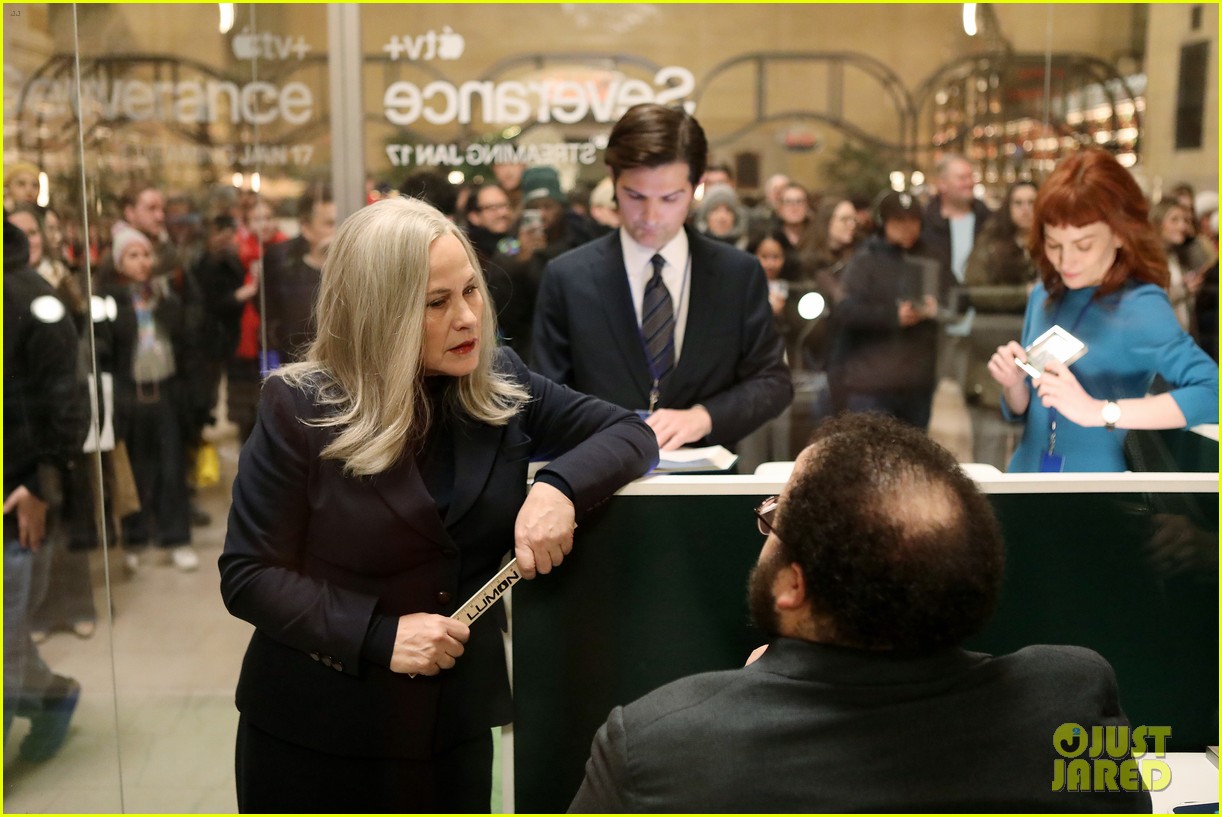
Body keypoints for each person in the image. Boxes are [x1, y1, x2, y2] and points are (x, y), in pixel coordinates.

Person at [219, 197, 657, 812]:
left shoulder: (496, 378)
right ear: (380, 312)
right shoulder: (300, 406)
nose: (468, 317)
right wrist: (377, 634)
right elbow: (249, 575)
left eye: (472, 290)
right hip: (319, 730)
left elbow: (631, 433)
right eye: (437, 302)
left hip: (452, 730)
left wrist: (558, 487)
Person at [569, 412, 1153, 813]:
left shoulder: (656, 749)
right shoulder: (1071, 698)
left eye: (775, 517)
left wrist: (739, 706)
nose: (766, 531)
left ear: (793, 586)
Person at [532, 103, 792, 451]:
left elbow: (773, 382)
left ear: (697, 186)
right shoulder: (568, 277)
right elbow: (546, 398)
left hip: (705, 475)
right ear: (613, 179)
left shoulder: (737, 274)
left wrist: (704, 417)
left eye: (670, 198)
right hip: (595, 472)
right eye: (634, 196)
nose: (651, 216)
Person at [988, 149, 1218, 473]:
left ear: (1121, 234)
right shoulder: (1044, 294)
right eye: (1054, 244)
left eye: (1083, 246)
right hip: (1025, 476)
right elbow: (1026, 408)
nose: (1065, 261)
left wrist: (1101, 412)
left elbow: (1212, 393)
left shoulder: (1140, 306)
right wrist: (1013, 383)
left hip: (1095, 487)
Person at [4, 219, 86, 762]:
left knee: (5, 635)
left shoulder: (32, 299)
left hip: (17, 495)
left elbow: (64, 401)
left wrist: (39, 482)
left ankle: (50, 699)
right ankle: (49, 697)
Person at [828, 190, 944, 428]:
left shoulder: (932, 256)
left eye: (913, 220)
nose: (907, 227)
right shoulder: (865, 259)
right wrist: (893, 316)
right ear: (885, 223)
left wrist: (936, 308)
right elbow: (846, 310)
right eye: (899, 221)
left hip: (917, 381)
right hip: (871, 381)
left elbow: (959, 298)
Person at [962, 181, 1039, 468]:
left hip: (1035, 357)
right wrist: (1022, 294)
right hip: (991, 352)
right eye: (1018, 203)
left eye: (1032, 202)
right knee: (988, 452)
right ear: (1008, 207)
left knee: (1028, 453)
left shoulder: (1052, 245)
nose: (1025, 209)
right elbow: (975, 291)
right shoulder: (991, 245)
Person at [262, 184, 336, 364]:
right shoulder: (287, 272)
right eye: (330, 224)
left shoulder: (360, 270)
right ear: (306, 228)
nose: (339, 229)